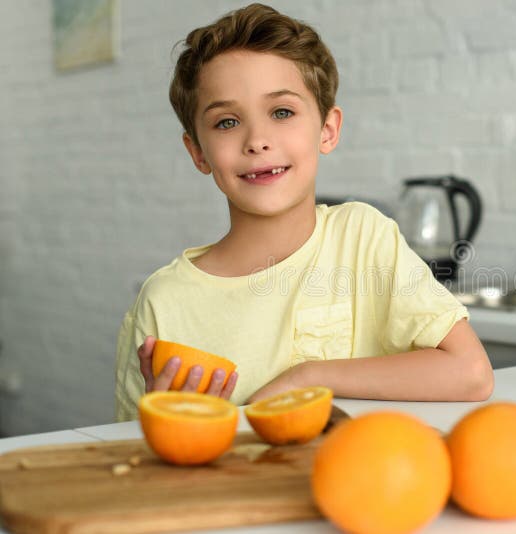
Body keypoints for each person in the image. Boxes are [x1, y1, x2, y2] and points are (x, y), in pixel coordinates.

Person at [114, 3, 494, 421]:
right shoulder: (165, 303)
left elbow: (471, 372)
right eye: (226, 122)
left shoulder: (363, 237)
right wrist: (168, 423)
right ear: (197, 152)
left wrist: (306, 376)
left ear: (327, 130)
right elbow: (135, 463)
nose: (257, 140)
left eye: (282, 112)